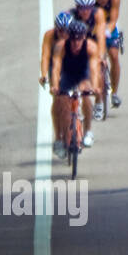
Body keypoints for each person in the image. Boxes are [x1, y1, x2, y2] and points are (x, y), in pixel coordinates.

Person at [51, 18, 100, 152]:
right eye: (73, 39)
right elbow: (56, 69)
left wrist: (94, 86)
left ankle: (88, 131)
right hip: (67, 73)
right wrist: (55, 86)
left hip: (83, 74)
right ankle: (59, 138)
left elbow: (94, 70)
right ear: (68, 38)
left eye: (79, 39)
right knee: (60, 101)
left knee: (86, 97)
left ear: (84, 37)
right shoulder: (61, 46)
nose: (76, 42)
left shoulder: (90, 47)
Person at [40, 11, 73, 152]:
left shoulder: (76, 35)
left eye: (66, 31)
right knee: (58, 98)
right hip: (55, 65)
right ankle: (58, 137)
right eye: (60, 31)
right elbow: (46, 56)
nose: (63, 34)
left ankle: (77, 127)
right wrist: (43, 75)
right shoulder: (49, 36)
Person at [73, 0, 107, 119]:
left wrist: (102, 56)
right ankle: (78, 103)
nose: (85, 11)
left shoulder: (98, 14)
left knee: (97, 69)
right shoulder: (72, 16)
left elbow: (101, 38)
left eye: (88, 8)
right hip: (78, 43)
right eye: (82, 8)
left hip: (95, 41)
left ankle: (98, 103)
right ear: (77, 8)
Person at [92, 0, 123, 108]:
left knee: (114, 57)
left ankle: (114, 93)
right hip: (94, 29)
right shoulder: (90, 3)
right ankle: (97, 99)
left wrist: (107, 31)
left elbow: (113, 19)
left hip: (109, 29)